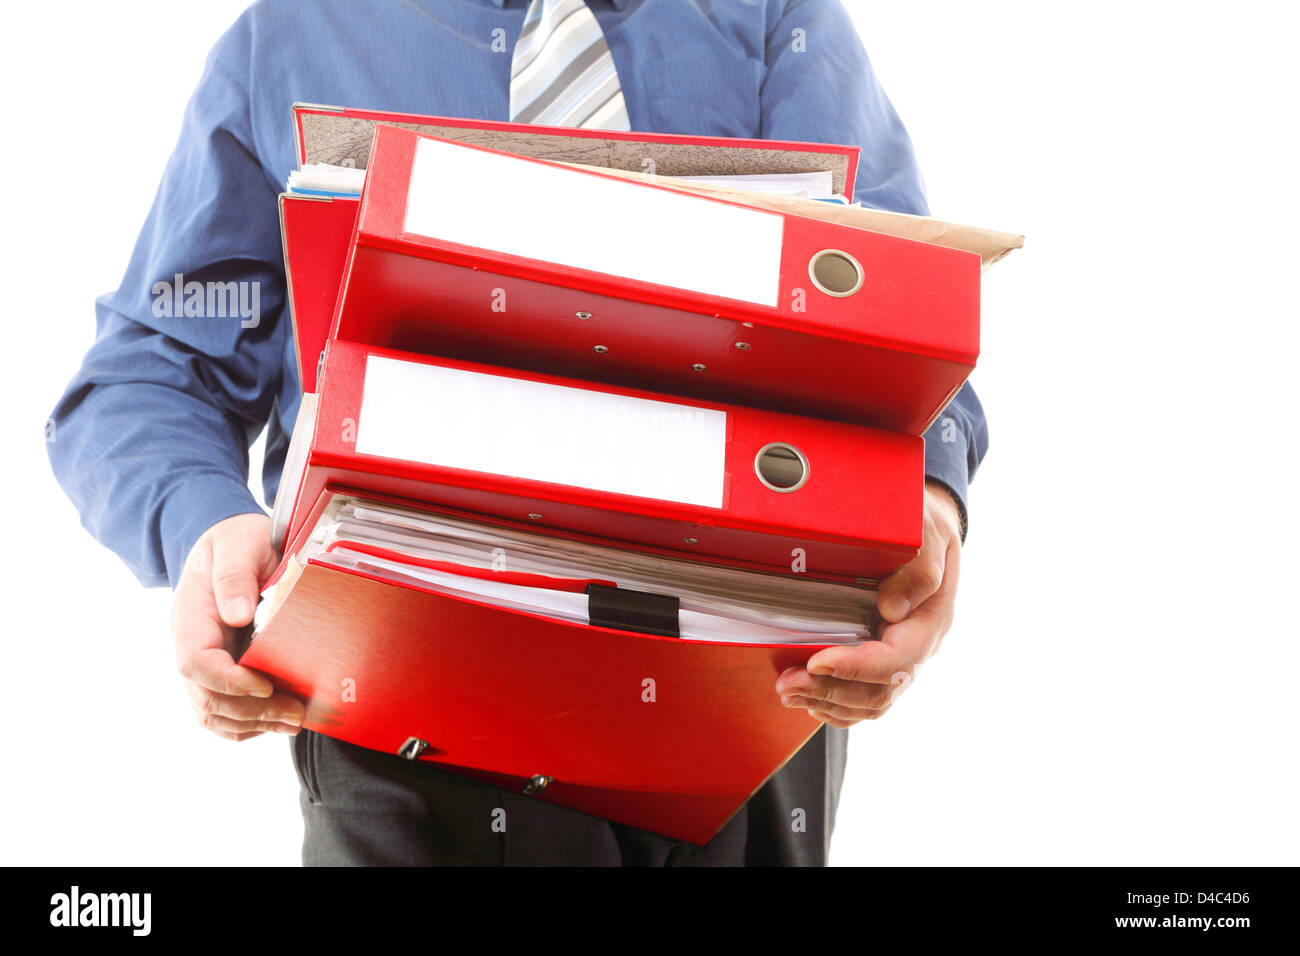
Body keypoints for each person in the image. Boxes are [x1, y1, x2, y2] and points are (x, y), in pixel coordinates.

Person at [47, 0, 987, 866]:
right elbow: (146, 375)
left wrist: (931, 509)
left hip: (753, 709)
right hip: (408, 722)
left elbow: (907, 306)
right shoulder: (292, 32)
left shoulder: (777, 17)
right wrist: (205, 526)